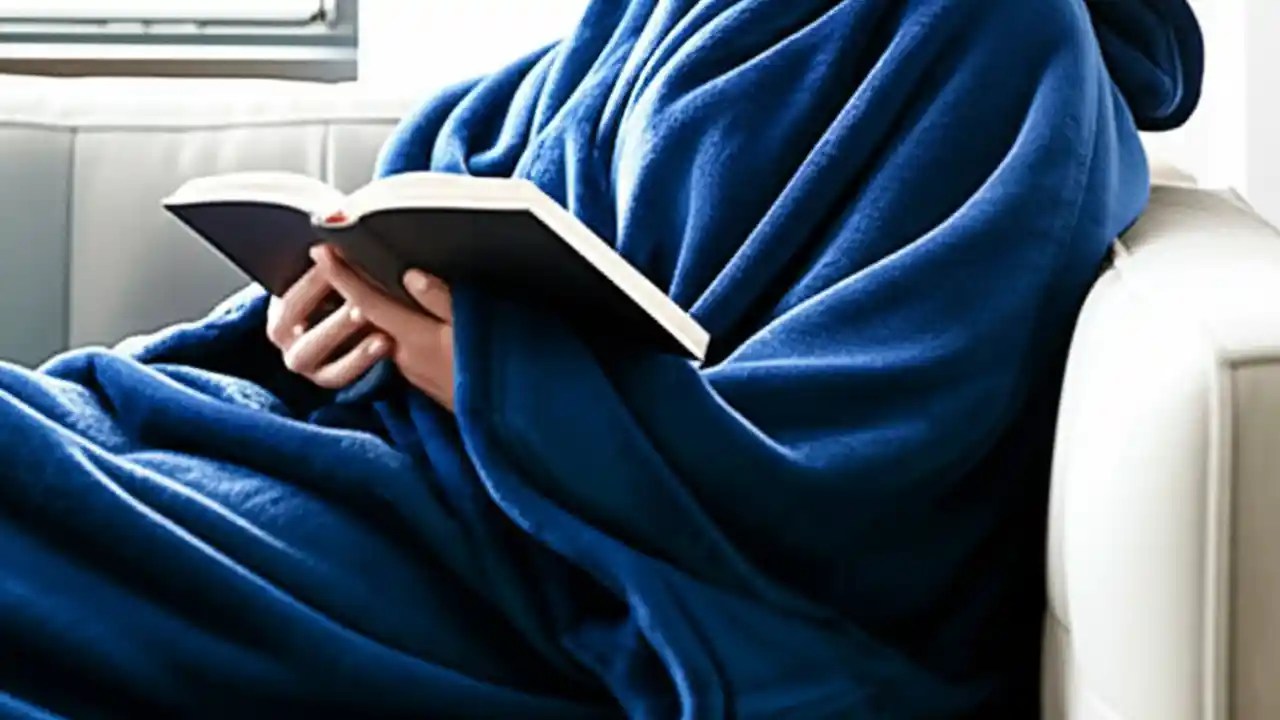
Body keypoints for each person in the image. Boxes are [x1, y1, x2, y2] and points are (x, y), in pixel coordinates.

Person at [0, 0, 1202, 717]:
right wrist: (328, 309)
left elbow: (861, 480)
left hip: (543, 556)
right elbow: (468, 169)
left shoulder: (991, 39)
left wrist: (499, 381)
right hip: (387, 457)